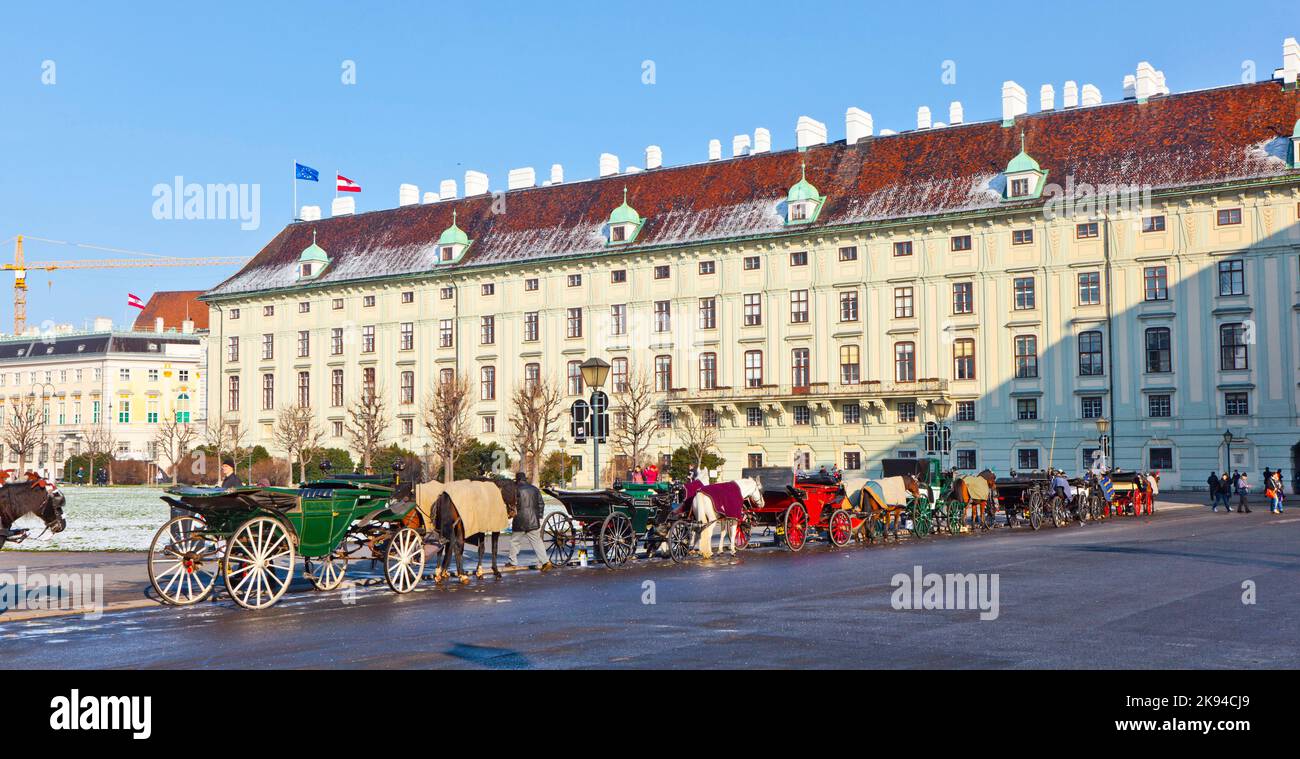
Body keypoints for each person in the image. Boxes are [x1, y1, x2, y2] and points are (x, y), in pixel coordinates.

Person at [506, 471, 552, 572]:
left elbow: (512, 505)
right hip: (533, 520)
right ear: (525, 479)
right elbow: (541, 504)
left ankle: (512, 561)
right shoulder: (534, 489)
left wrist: (509, 514)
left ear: (517, 480)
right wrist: (539, 516)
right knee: (537, 542)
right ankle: (545, 562)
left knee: (515, 541)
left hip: (520, 520)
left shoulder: (515, 489)